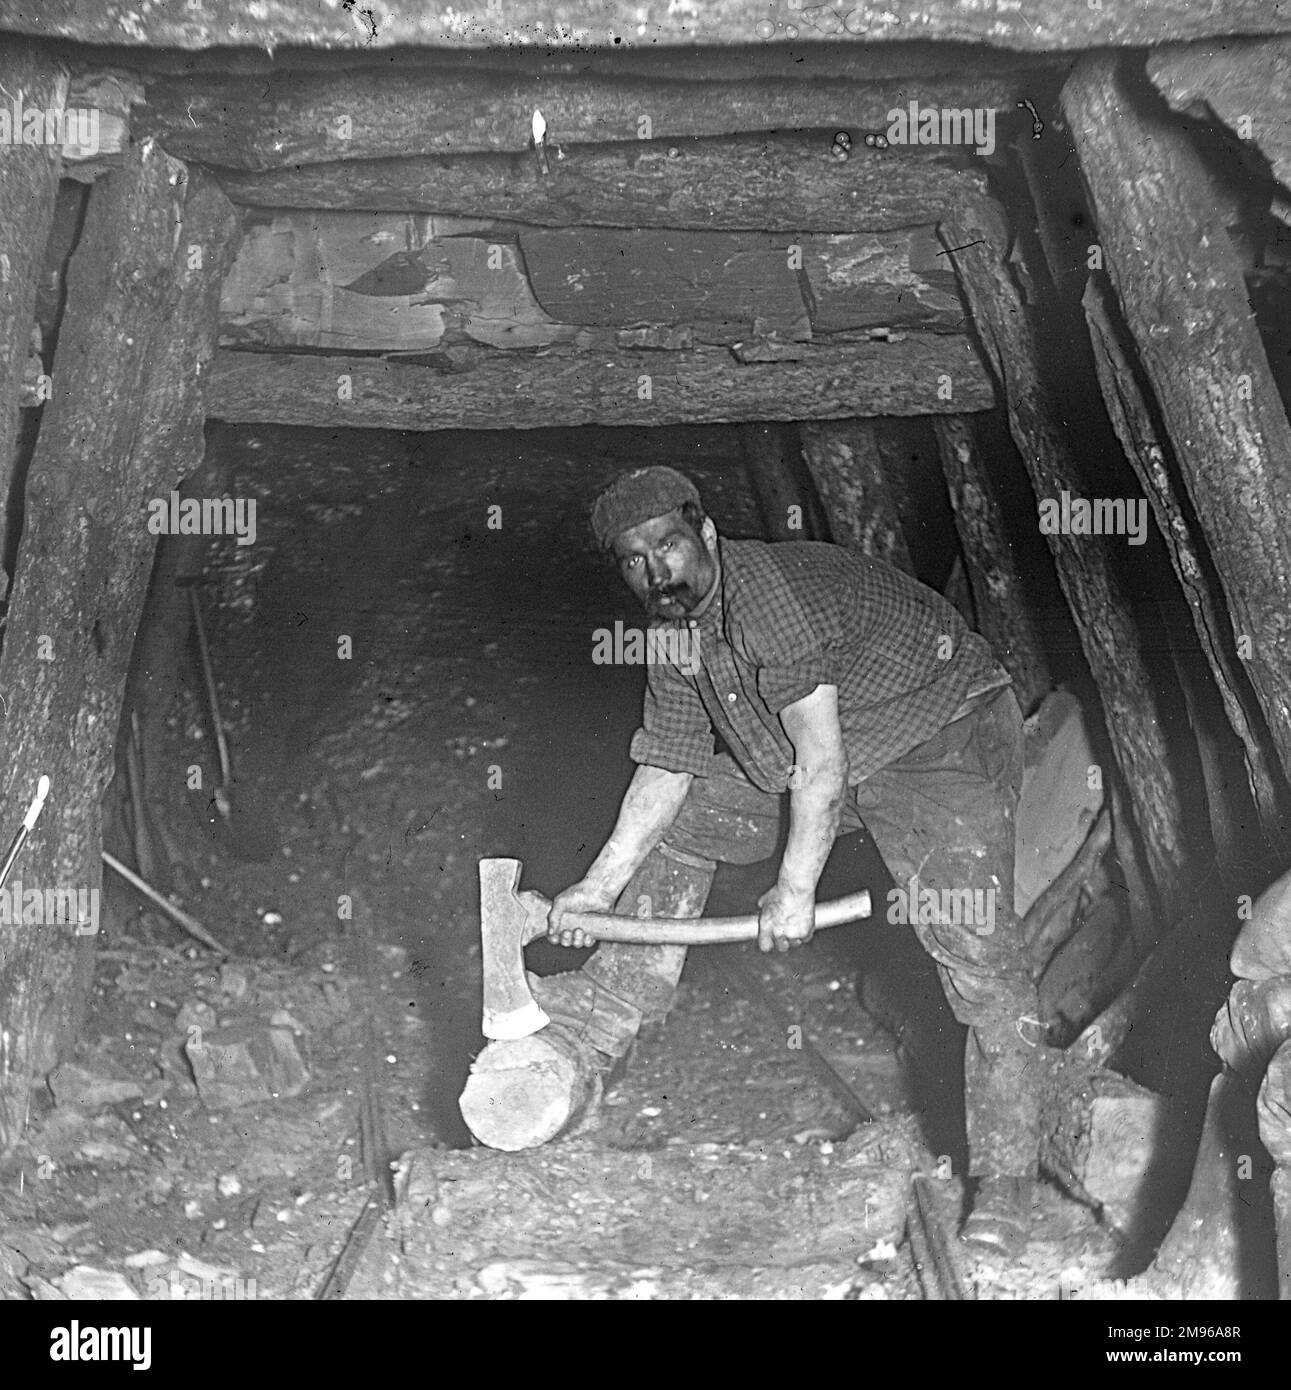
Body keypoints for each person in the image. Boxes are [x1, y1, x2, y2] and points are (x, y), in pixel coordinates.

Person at [547, 465, 1043, 1256]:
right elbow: (670, 763)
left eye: (669, 546)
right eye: (634, 561)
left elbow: (820, 767)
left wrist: (794, 889)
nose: (657, 572)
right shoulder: (671, 628)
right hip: (830, 752)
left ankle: (1010, 1187)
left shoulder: (766, 599)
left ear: (705, 533)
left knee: (977, 953)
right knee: (692, 816)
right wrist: (596, 887)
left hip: (938, 735)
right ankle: (606, 1013)